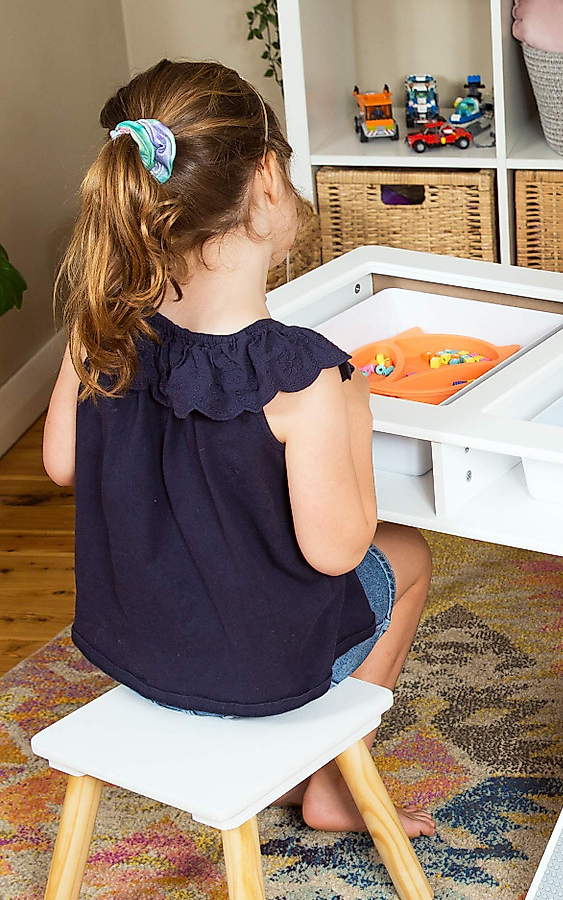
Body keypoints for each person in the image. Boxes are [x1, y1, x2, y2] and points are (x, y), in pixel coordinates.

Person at [42, 59, 435, 837]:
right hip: (260, 672)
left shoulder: (103, 330)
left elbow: (61, 462)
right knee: (412, 557)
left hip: (134, 649)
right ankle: (333, 782)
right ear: (266, 180)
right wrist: (350, 418)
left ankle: (324, 775)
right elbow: (337, 550)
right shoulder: (305, 376)